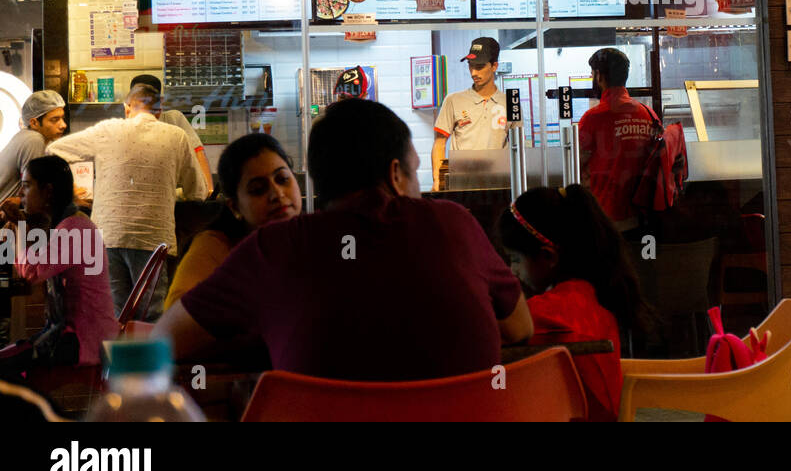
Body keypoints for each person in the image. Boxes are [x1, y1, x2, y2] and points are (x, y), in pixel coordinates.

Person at [155, 99, 532, 381]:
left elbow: (163, 343)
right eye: (416, 172)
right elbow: (519, 328)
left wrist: (275, 330)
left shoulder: (273, 249)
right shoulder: (455, 223)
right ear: (396, 174)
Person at [46, 83, 206, 321]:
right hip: (152, 238)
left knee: (115, 315)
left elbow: (55, 149)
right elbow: (199, 191)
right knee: (150, 315)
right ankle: (149, 357)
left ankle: (117, 357)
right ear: (160, 112)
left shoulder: (107, 130)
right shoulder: (177, 136)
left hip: (108, 236)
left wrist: (73, 193)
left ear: (126, 108)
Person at [499, 184, 651, 421]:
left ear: (548, 256)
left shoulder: (549, 313)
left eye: (516, 259)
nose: (512, 270)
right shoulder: (591, 295)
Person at [0, 157, 116, 373]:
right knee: (9, 356)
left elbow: (32, 273)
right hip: (75, 334)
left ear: (48, 191)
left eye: (26, 186)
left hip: (84, 339)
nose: (20, 195)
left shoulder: (75, 229)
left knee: (7, 365)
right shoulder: (71, 223)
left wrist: (21, 229)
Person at [163, 133, 302, 311]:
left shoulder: (307, 237)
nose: (277, 194)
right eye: (258, 189)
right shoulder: (215, 248)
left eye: (282, 179)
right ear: (235, 207)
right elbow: (175, 322)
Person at [578, 48, 657, 231]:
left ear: (599, 76)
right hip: (643, 217)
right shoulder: (648, 115)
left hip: (607, 220)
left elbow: (576, 164)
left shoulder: (593, 118)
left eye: (593, 74)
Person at [431, 37, 507, 192]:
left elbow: (518, 145)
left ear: (494, 66)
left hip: (500, 185)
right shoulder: (453, 100)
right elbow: (439, 143)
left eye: (479, 67)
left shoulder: (509, 102)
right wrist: (437, 180)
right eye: (470, 66)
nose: (473, 72)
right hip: (462, 185)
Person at [130, 75, 213, 196]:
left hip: (178, 194)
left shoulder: (174, 118)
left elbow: (197, 150)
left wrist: (209, 189)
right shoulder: (126, 129)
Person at [0, 91, 66, 205]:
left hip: (15, 214)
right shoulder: (34, 139)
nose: (63, 125)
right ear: (34, 123)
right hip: (7, 218)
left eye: (62, 118)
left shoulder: (26, 136)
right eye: (54, 120)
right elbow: (34, 193)